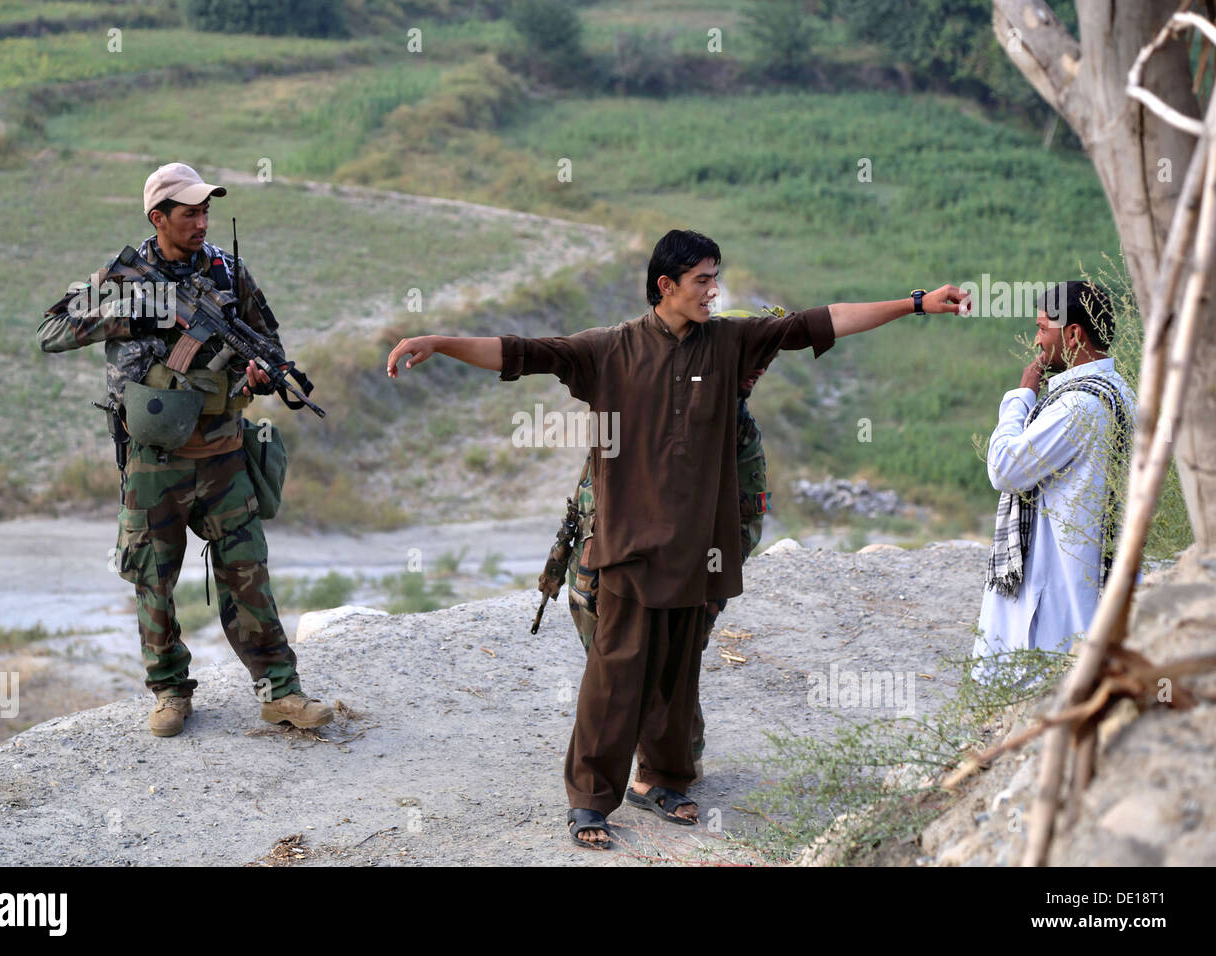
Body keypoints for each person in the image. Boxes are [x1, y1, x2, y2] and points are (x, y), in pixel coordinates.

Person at [386, 228, 965, 848]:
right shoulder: (609, 351)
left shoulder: (733, 341)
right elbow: (521, 352)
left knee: (677, 672)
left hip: (699, 547)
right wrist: (439, 343)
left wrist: (915, 302)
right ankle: (590, 803)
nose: (714, 292)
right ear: (666, 286)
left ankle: (662, 780)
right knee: (614, 675)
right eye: (702, 281)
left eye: (716, 278)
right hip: (630, 546)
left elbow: (821, 322)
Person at [37, 162, 333, 738]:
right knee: (154, 578)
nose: (201, 222)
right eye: (189, 213)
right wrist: (137, 311)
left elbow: (268, 340)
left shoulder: (228, 271)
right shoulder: (124, 279)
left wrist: (261, 374)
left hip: (223, 454)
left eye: (205, 212)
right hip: (155, 461)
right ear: (158, 218)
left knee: (248, 572)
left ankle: (281, 692)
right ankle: (170, 691)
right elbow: (51, 332)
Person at [566, 360, 770, 781]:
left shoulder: (739, 429)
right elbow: (594, 487)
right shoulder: (647, 402)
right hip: (602, 566)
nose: (754, 377)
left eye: (761, 368)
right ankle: (600, 786)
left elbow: (746, 518)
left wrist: (715, 590)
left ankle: (670, 765)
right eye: (747, 366)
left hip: (683, 575)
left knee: (671, 669)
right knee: (614, 674)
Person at [974, 280, 1137, 682]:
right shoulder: (1121, 393)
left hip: (1057, 592)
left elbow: (1004, 468)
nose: (1035, 341)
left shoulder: (1078, 406)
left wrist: (1020, 396)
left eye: (1042, 328)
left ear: (1073, 334)